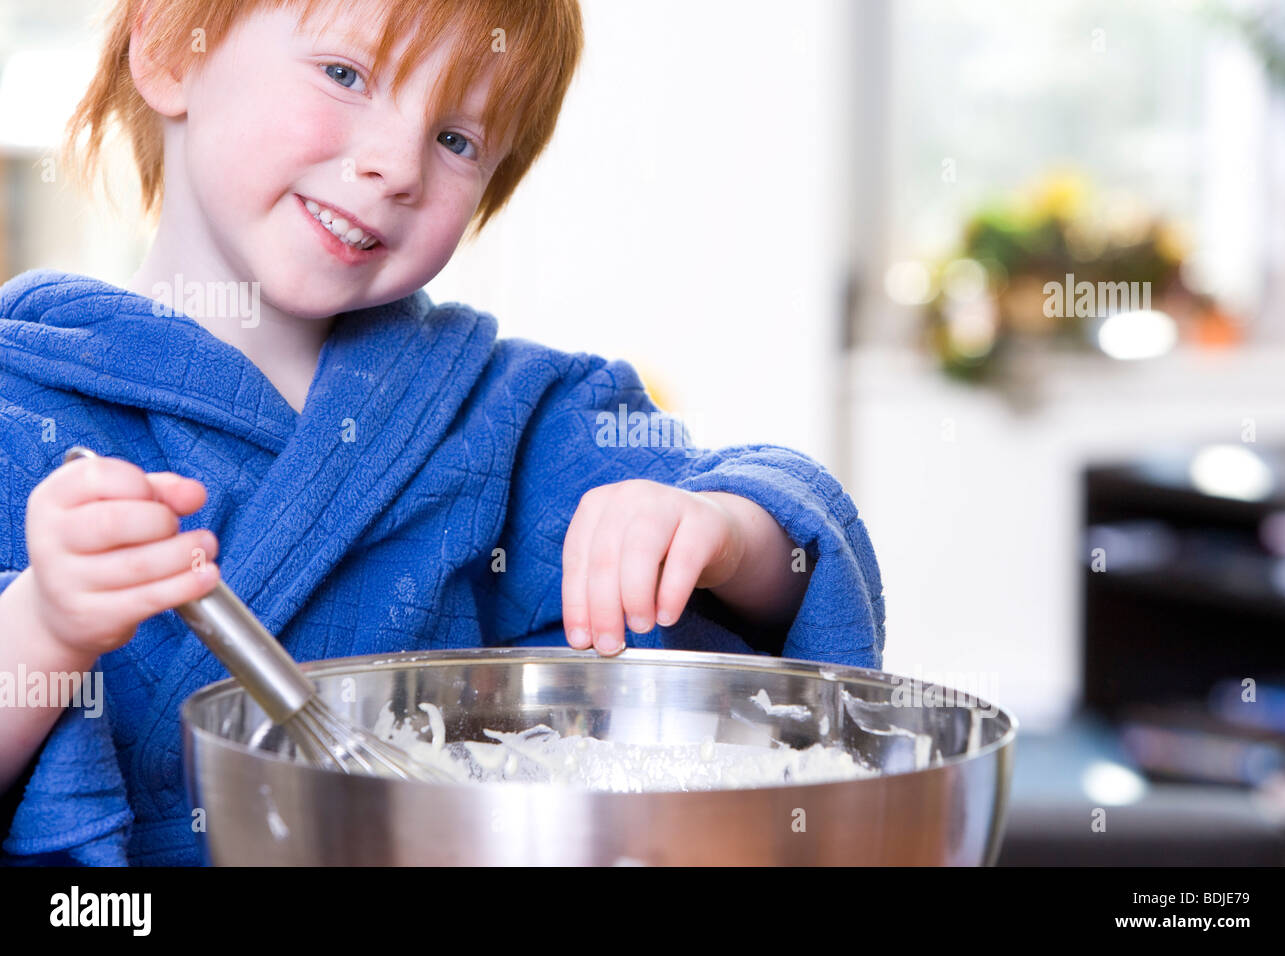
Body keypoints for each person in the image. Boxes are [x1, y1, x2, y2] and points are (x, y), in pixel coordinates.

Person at [0, 0, 885, 865]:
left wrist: (720, 534)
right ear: (170, 48)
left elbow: (790, 552)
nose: (397, 165)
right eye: (345, 74)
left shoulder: (506, 410)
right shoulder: (19, 404)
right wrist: (44, 625)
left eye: (457, 140)